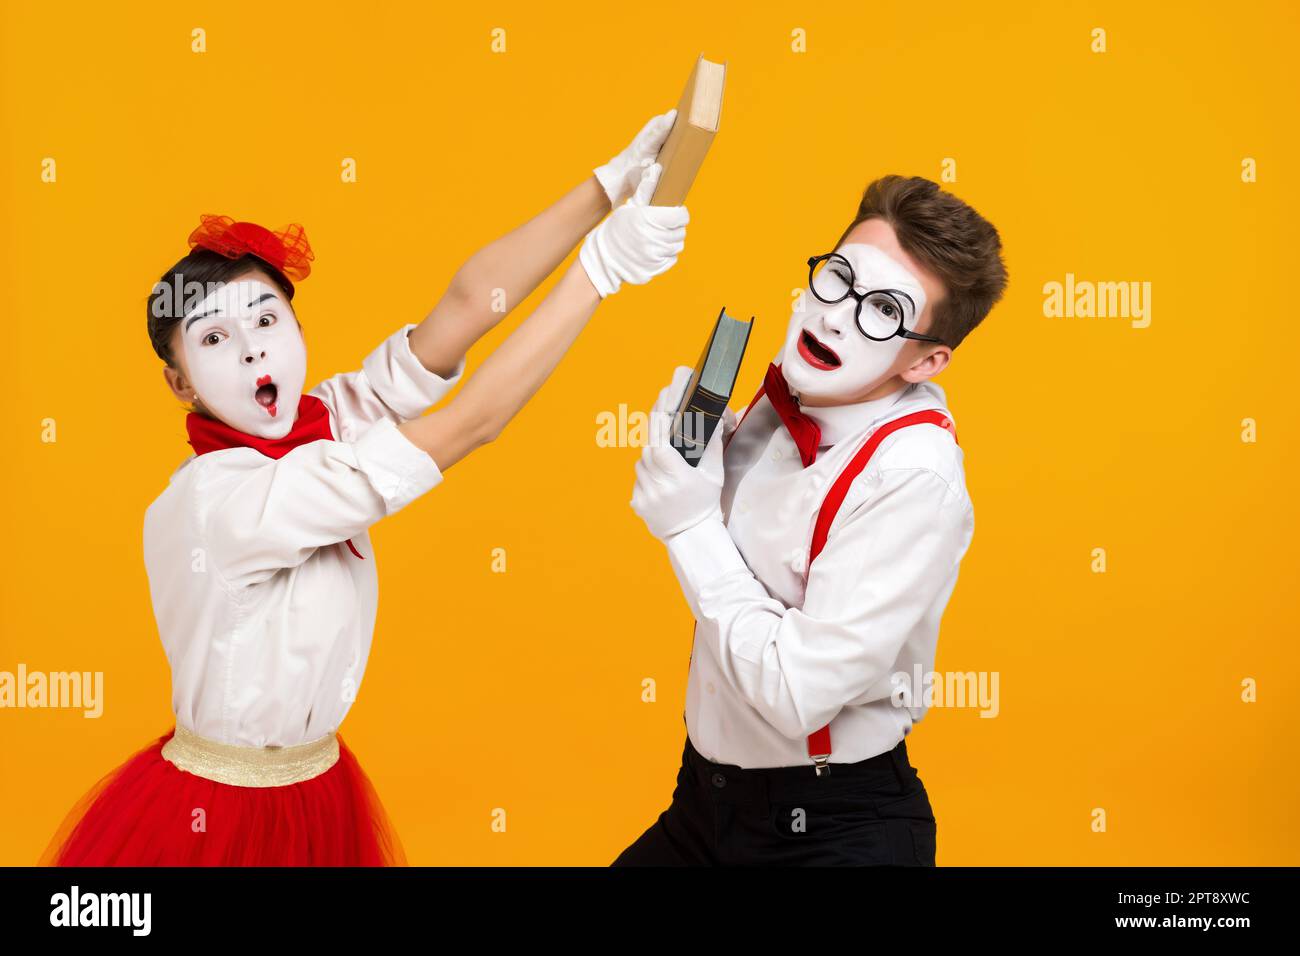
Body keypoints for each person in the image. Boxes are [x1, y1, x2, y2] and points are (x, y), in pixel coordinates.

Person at [40, 110, 689, 866]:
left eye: (267, 318)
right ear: (178, 381)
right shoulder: (224, 500)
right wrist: (599, 272)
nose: (254, 349)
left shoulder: (323, 422)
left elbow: (457, 314)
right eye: (215, 339)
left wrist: (603, 188)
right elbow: (471, 424)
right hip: (220, 813)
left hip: (315, 782)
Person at [617, 175, 1007, 866]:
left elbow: (796, 694)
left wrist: (687, 525)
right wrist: (702, 451)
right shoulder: (792, 391)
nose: (834, 318)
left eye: (883, 311)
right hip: (701, 807)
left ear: (925, 360)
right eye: (838, 279)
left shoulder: (914, 480)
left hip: (832, 831)